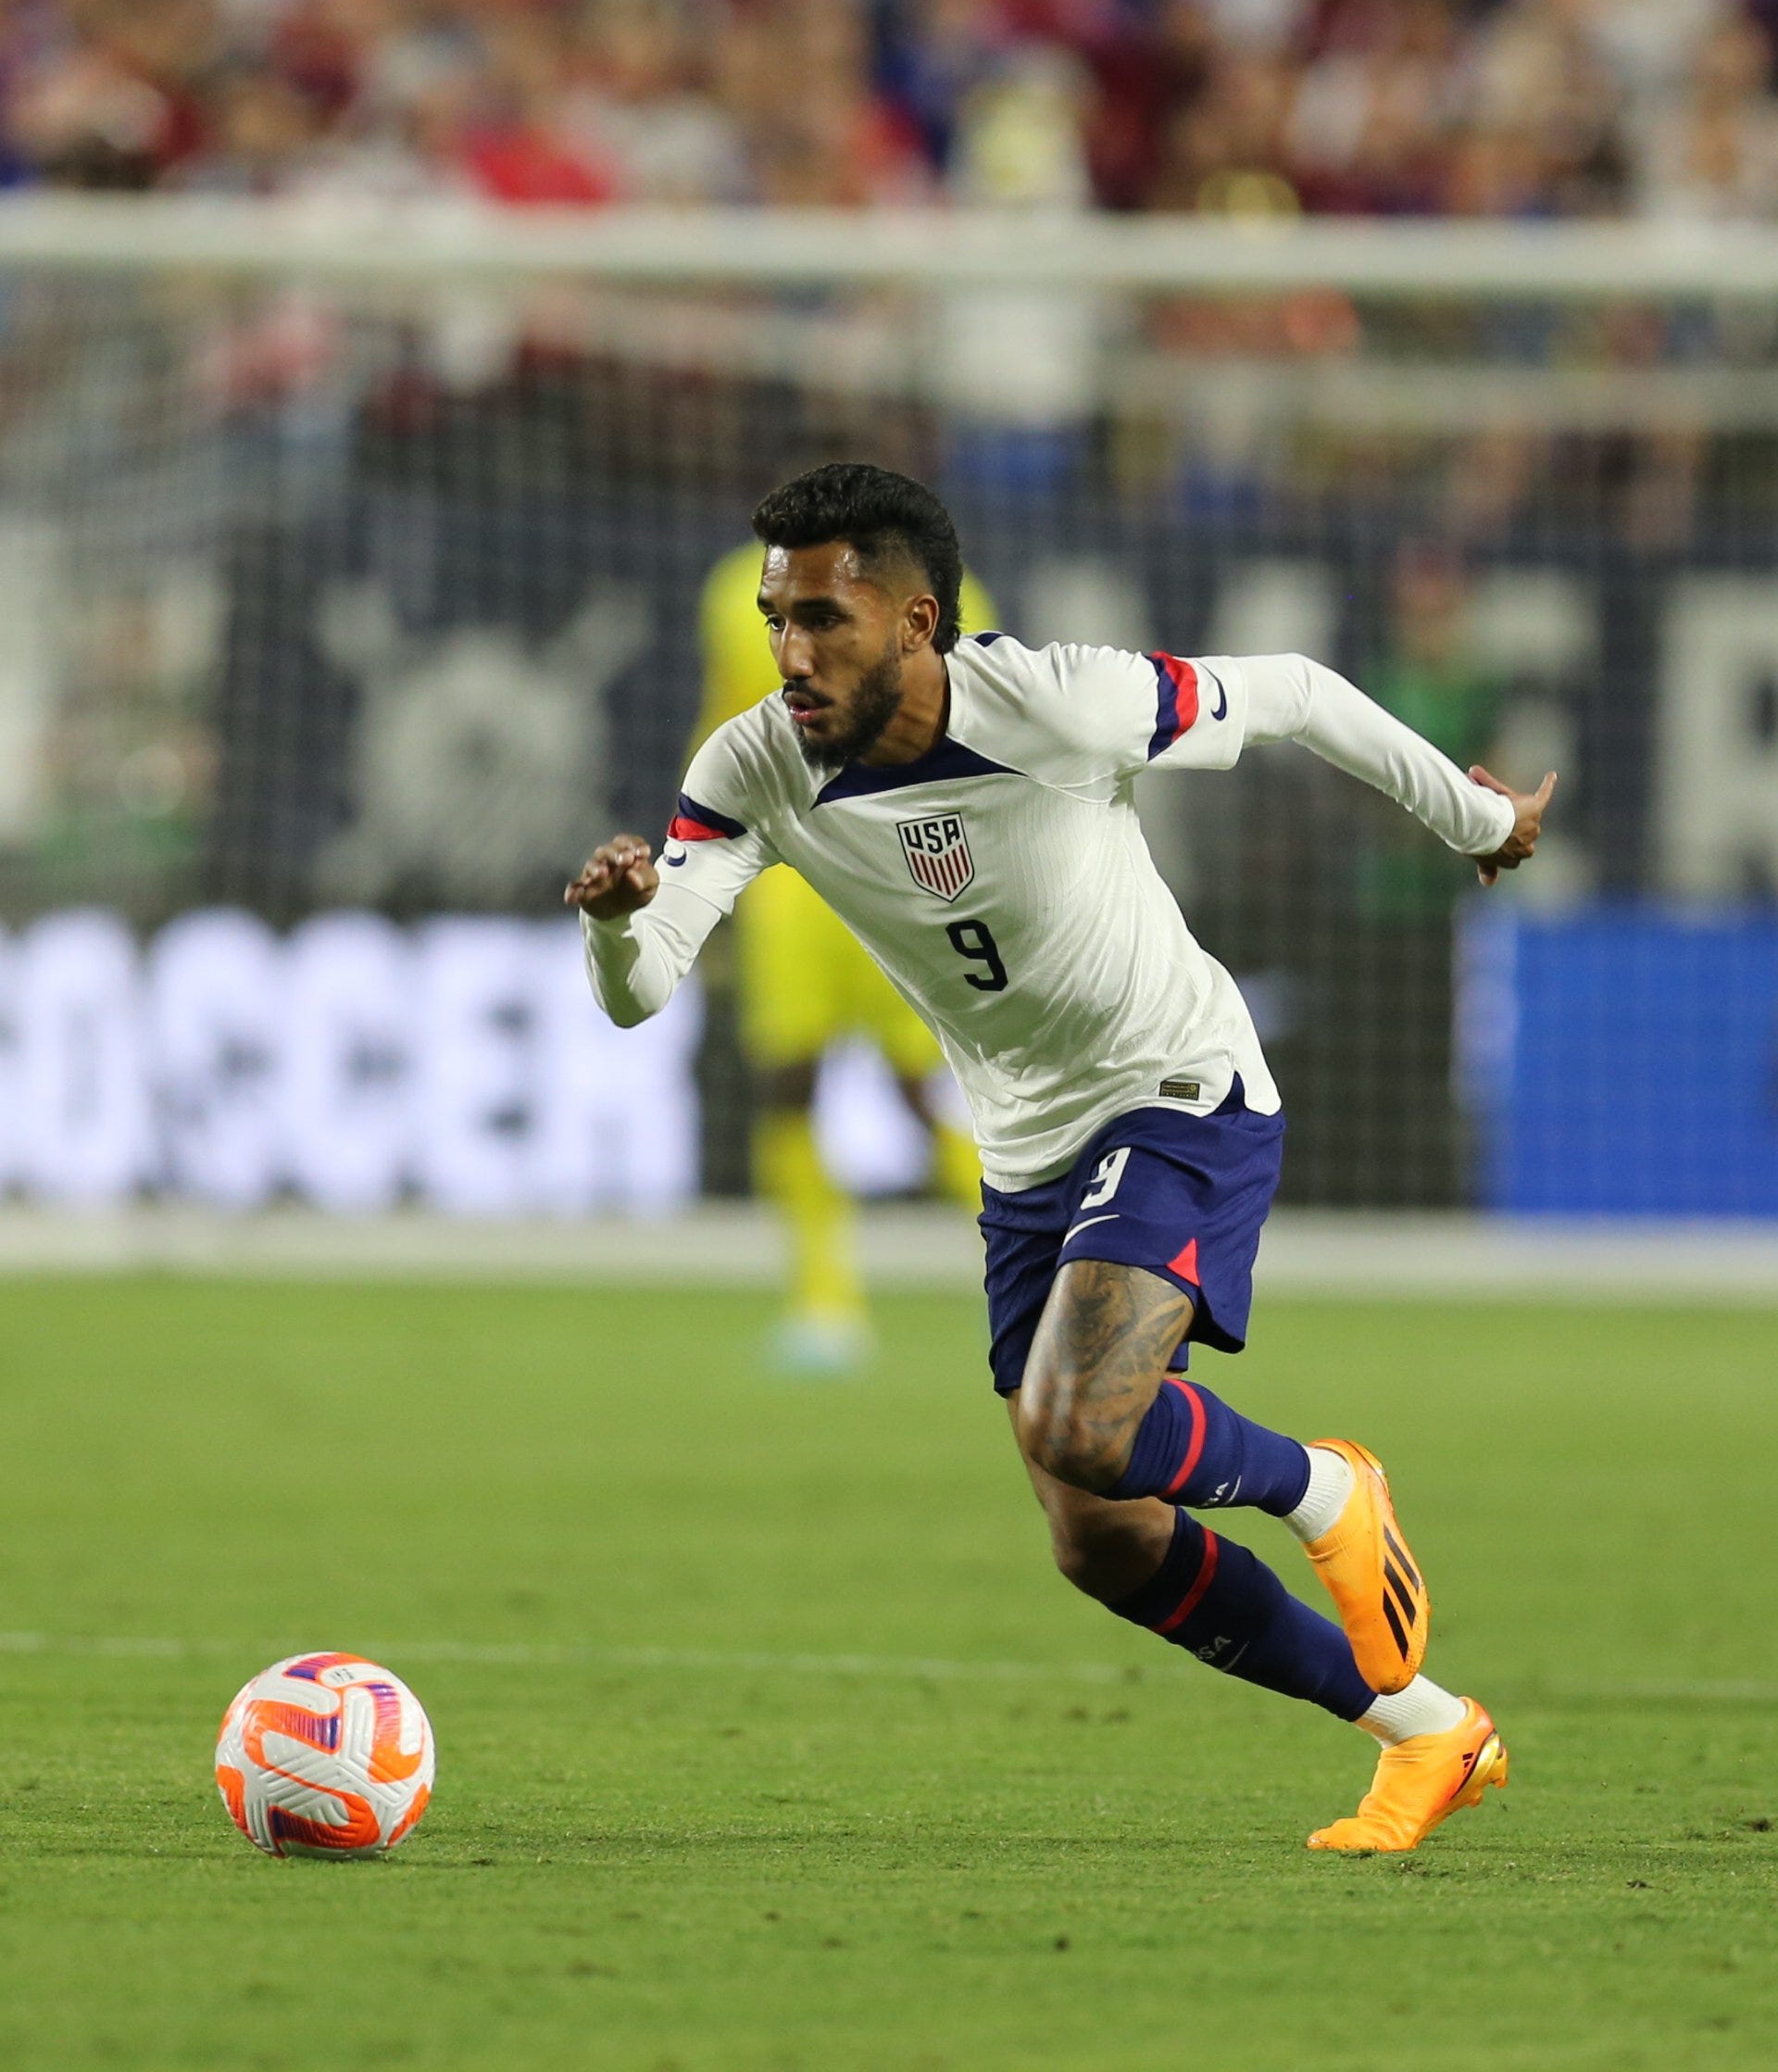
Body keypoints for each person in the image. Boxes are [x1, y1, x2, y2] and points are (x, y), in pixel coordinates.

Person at [567, 463, 1552, 1852]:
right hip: (1025, 1148)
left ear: (915, 622)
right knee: (1099, 1536)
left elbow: (1293, 692)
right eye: (776, 617)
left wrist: (1476, 818)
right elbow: (644, 986)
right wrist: (617, 920)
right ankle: (1429, 1731)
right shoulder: (752, 765)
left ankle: (1325, 1485)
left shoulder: (1058, 700)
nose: (789, 652)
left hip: (1176, 1087)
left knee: (1079, 1424)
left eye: (824, 620)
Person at [692, 535, 991, 1371]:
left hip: (898, 867)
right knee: (790, 1081)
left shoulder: (939, 585)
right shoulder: (737, 586)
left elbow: (979, 722)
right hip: (789, 877)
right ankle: (823, 1303)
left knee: (921, 1086)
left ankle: (1031, 1272)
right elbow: (723, 729)